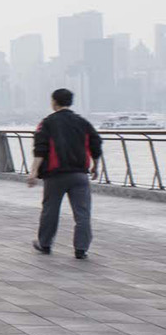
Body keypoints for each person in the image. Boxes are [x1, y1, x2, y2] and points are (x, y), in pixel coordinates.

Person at [30, 88, 103, 260]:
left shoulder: (46, 123)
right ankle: (81, 249)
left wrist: (33, 172)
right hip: (79, 174)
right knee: (82, 213)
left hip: (55, 175)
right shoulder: (83, 122)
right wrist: (95, 165)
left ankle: (45, 244)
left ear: (54, 101)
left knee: (50, 210)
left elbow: (40, 149)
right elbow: (96, 143)